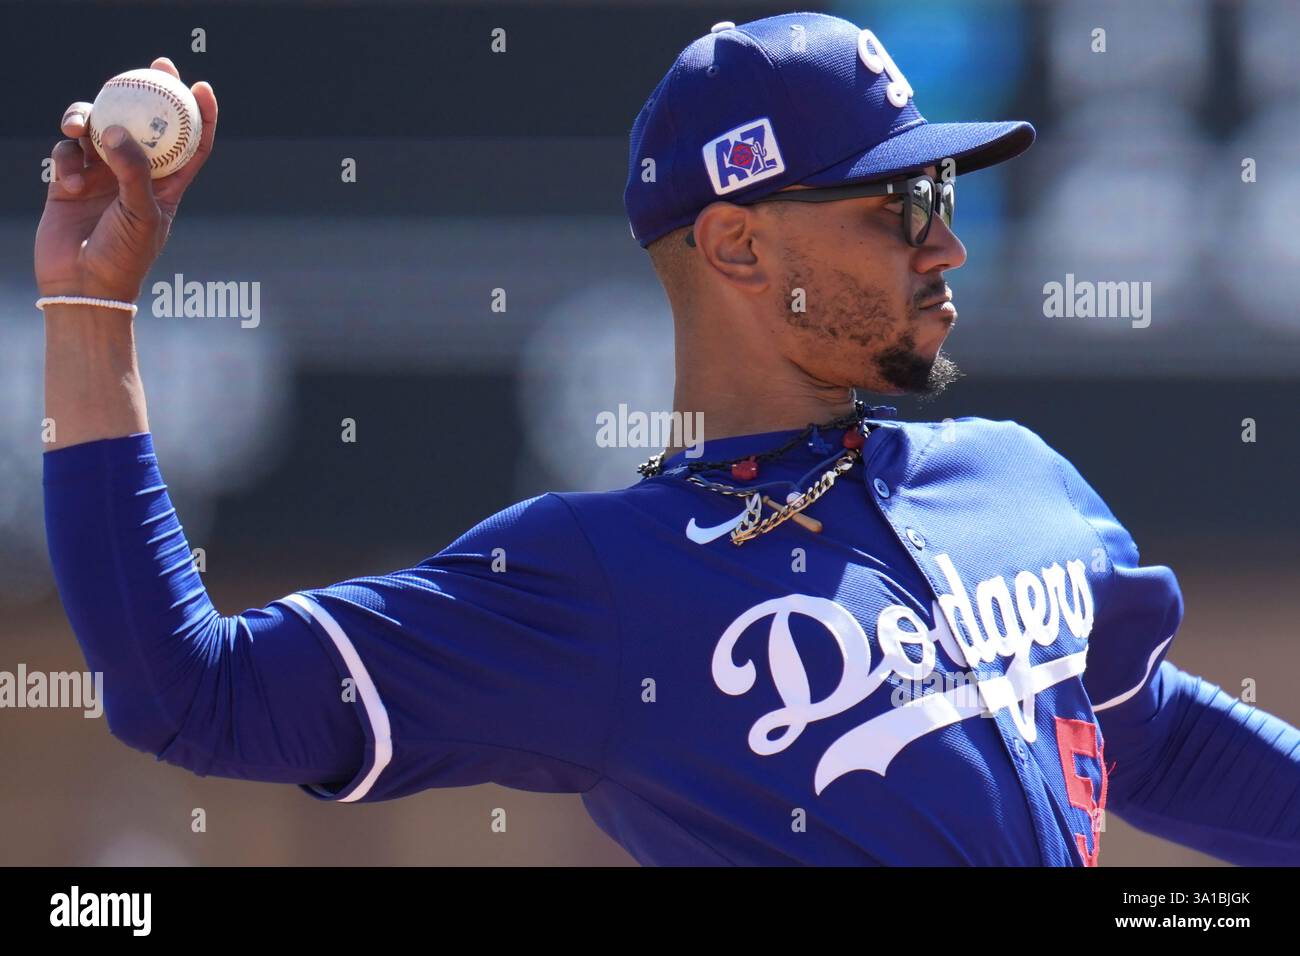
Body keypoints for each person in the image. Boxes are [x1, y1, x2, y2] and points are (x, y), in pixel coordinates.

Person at [37, 13, 1300, 865]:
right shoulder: (601, 581)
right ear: (739, 241)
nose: (946, 240)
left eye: (945, 195)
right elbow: (186, 690)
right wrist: (91, 312)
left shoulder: (1021, 480)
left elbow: (1151, 731)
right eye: (898, 201)